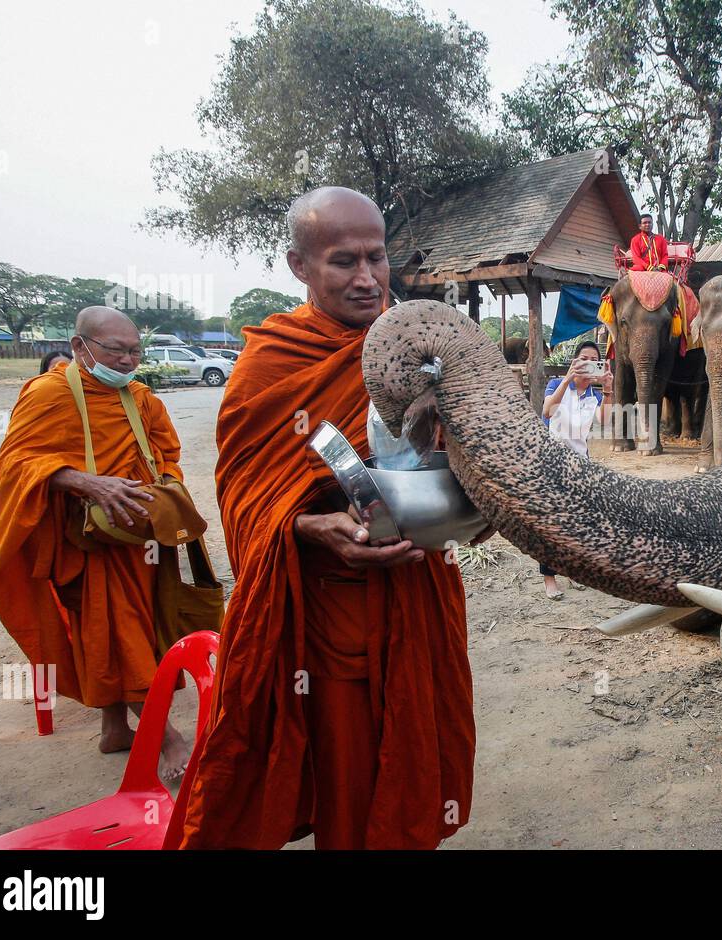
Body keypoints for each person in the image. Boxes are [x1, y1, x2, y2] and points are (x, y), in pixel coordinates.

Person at [178, 187, 477, 850]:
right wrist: (308, 527)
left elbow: (479, 455)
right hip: (331, 611)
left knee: (416, 756)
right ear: (299, 266)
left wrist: (474, 499)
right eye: (344, 261)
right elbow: (245, 494)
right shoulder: (271, 363)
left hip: (420, 587)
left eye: (378, 258)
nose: (368, 278)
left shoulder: (425, 344)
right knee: (350, 775)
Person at [0, 306, 190, 773]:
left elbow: (168, 455)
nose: (127, 361)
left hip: (141, 537)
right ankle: (168, 741)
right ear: (81, 347)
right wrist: (87, 483)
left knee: (122, 637)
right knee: (118, 635)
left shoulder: (143, 399)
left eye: (135, 351)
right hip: (86, 543)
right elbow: (18, 464)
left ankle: (114, 728)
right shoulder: (49, 394)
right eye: (116, 350)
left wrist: (163, 492)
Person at [540, 341, 610, 599]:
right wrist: (568, 377)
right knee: (551, 523)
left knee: (577, 523)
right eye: (584, 358)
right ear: (575, 360)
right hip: (552, 463)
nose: (588, 362)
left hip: (581, 464)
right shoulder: (557, 384)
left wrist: (609, 388)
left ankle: (573, 571)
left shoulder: (595, 395)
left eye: (594, 359)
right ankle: (549, 578)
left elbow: (606, 421)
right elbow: (547, 410)